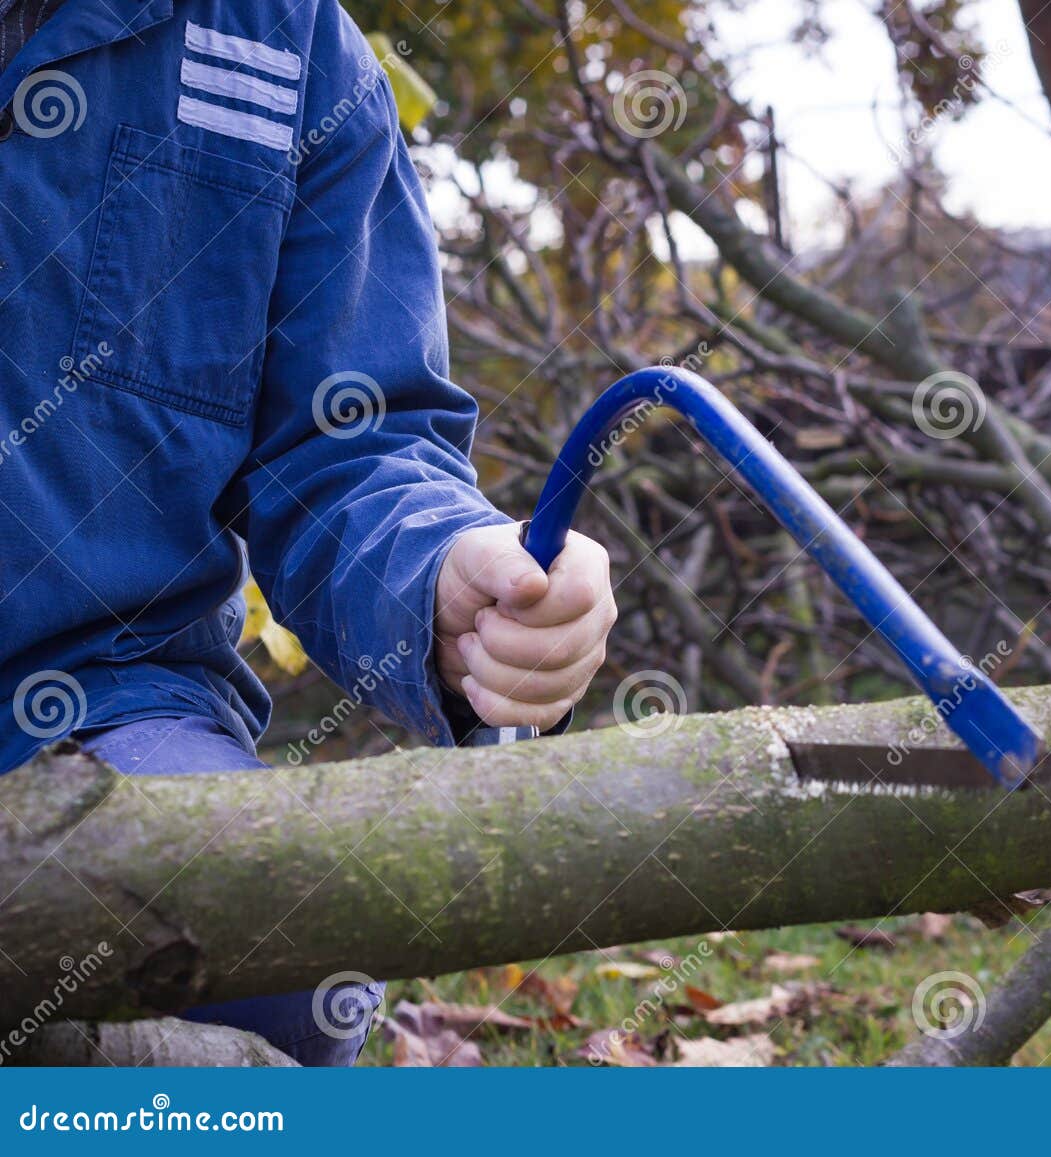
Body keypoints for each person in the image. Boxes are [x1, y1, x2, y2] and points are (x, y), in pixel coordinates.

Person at [0, 0, 617, 1063]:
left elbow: (346, 442)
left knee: (296, 969)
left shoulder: (283, 45)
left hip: (99, 703)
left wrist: (444, 577)